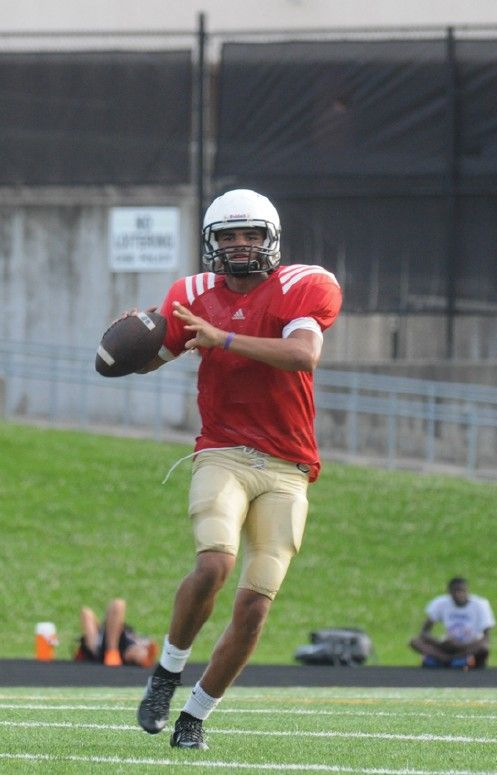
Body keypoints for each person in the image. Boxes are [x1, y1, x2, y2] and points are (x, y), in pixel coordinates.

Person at [120, 189, 342, 750]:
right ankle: (166, 675)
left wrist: (225, 338)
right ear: (210, 243)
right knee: (215, 564)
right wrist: (131, 342)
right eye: (227, 236)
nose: (239, 246)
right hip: (222, 451)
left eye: (249, 235)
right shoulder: (192, 294)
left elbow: (303, 355)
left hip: (289, 468)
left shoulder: (302, 285)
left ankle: (196, 714)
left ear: (271, 239)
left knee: (254, 603)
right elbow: (154, 358)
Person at [409, 577, 495, 670]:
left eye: (462, 591)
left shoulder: (480, 604)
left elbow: (486, 638)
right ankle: (445, 658)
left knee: (484, 648)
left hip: (468, 646)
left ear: (467, 591)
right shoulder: (440, 603)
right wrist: (440, 642)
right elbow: (424, 632)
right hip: (447, 644)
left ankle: (456, 660)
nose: (459, 594)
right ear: (449, 592)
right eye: (455, 591)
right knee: (414, 641)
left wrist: (463, 646)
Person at [73, 598, 159, 668]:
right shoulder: (100, 639)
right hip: (107, 648)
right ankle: (113, 651)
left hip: (114, 646)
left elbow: (86, 615)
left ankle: (114, 652)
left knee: (133, 650)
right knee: (118, 604)